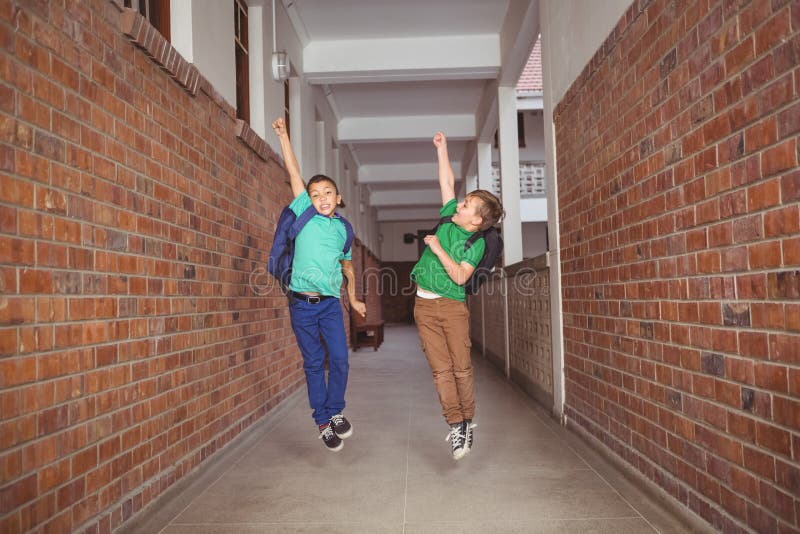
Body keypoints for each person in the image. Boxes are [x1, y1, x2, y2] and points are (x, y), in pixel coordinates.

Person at [271, 118, 366, 452]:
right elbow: (294, 173)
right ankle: (323, 421)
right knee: (314, 363)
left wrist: (353, 299)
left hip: (329, 305)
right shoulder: (305, 215)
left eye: (327, 193)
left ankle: (335, 411)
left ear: (338, 197)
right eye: (315, 194)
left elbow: (347, 266)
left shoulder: (344, 230)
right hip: (301, 304)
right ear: (308, 199)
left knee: (339, 359)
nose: (321, 198)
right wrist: (284, 136)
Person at [411, 131, 504, 460]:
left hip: (452, 308)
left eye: (466, 205)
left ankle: (467, 420)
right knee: (440, 371)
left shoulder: (474, 244)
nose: (459, 204)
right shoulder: (449, 217)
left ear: (476, 220)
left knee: (461, 369)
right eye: (462, 202)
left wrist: (437, 248)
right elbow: (447, 183)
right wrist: (442, 149)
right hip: (424, 307)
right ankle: (455, 424)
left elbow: (462, 277)